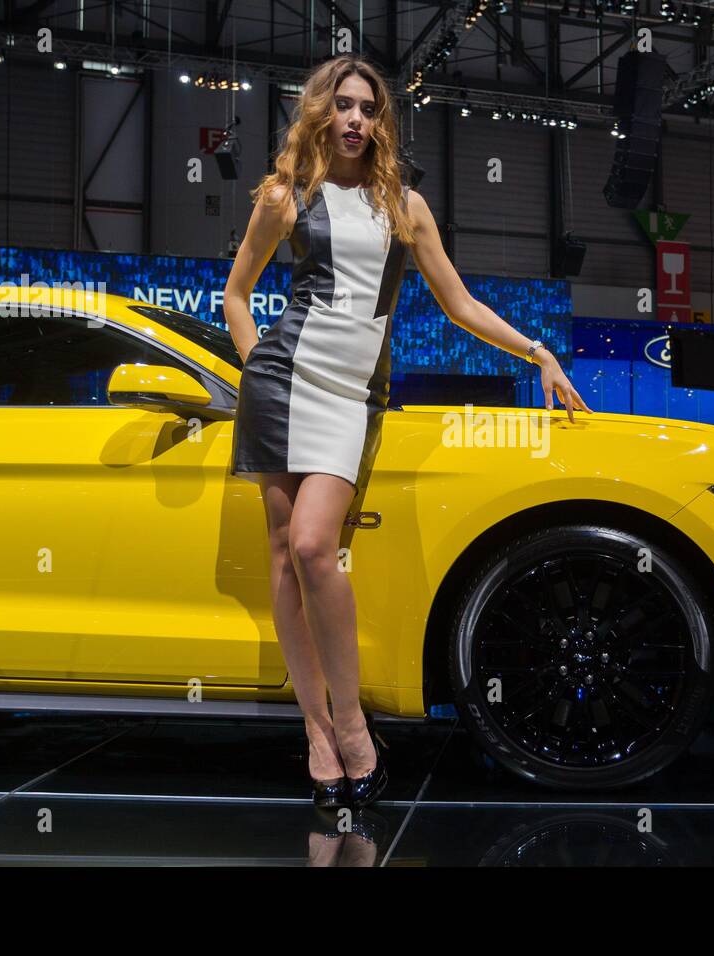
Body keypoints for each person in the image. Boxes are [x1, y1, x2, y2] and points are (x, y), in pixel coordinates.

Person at [221, 56, 591, 810]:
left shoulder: (404, 205)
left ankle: (353, 724)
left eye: (369, 108)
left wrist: (538, 349)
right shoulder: (284, 195)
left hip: (353, 395)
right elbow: (236, 294)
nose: (356, 119)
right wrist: (260, 367)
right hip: (282, 382)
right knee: (285, 560)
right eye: (344, 105)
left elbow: (458, 305)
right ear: (322, 110)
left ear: (380, 121)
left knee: (317, 548)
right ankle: (318, 736)